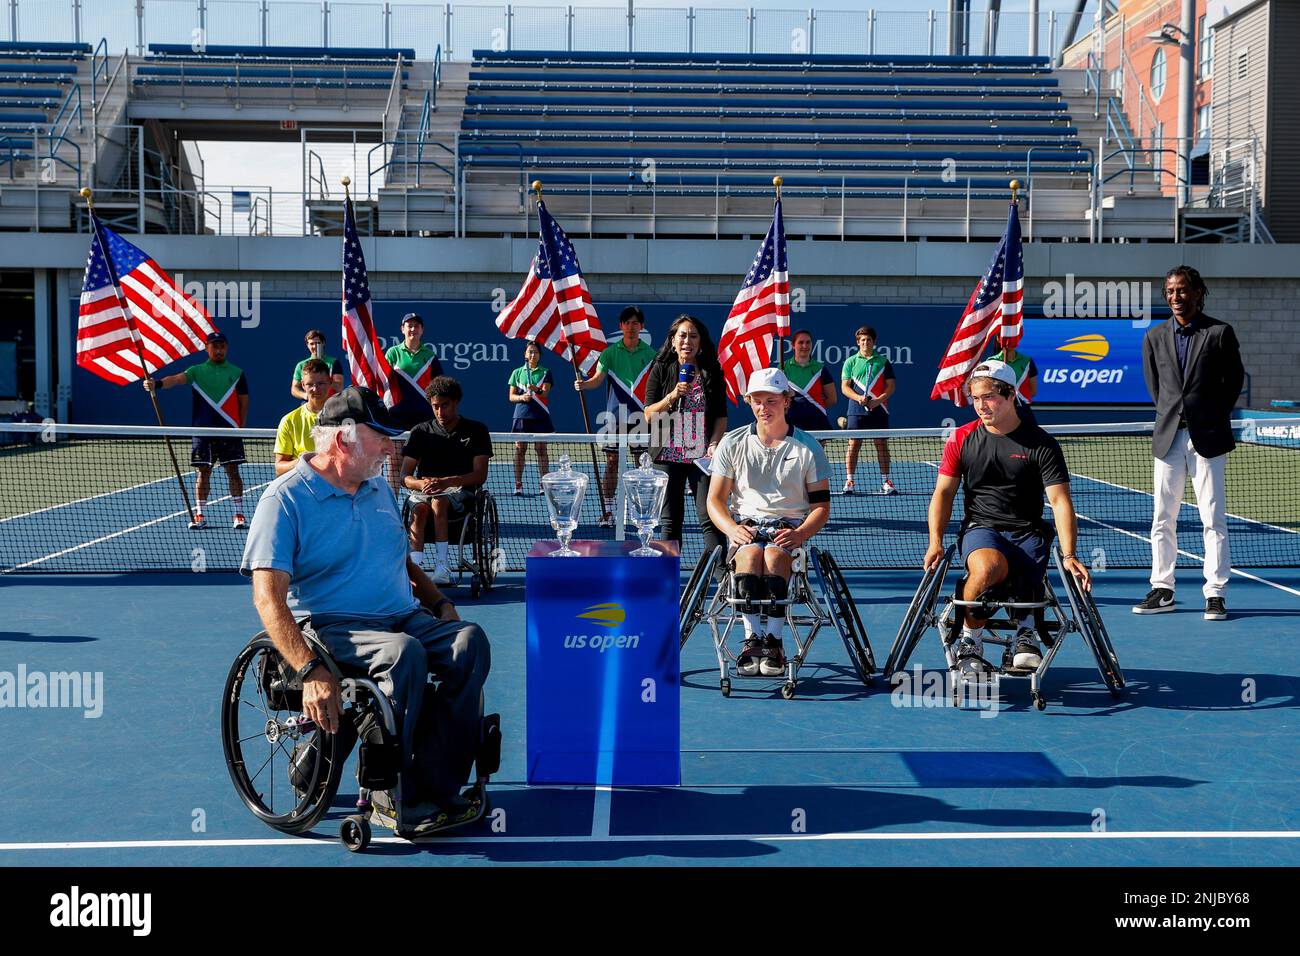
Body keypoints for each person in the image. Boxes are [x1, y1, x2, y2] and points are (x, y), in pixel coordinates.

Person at [241, 386, 490, 831]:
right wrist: (310, 669)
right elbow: (267, 598)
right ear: (344, 441)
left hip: (402, 616)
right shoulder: (283, 501)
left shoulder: (377, 487)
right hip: (333, 626)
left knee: (469, 642)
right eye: (382, 439)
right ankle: (391, 793)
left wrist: (439, 601)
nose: (391, 449)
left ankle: (435, 787)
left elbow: (399, 559)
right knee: (405, 654)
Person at [923, 360, 1091, 679]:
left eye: (988, 397)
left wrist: (1070, 555)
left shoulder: (1041, 444)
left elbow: (1059, 500)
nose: (980, 406)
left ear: (1010, 394)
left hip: (1028, 530)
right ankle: (970, 642)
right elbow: (943, 493)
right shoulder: (961, 439)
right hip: (981, 528)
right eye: (975, 398)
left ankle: (1025, 636)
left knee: (1026, 573)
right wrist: (935, 541)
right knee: (988, 568)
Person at [1135, 265, 1246, 621]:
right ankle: (1162, 588)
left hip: (1208, 438)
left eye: (1182, 290)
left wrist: (1209, 417)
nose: (1175, 297)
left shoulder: (1220, 333)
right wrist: (1175, 415)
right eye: (1170, 291)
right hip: (1168, 437)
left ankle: (1215, 593)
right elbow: (1157, 389)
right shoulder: (1154, 337)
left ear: (1198, 293)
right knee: (1162, 518)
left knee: (1212, 518)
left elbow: (1233, 382)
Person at [707, 367, 831, 677]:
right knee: (750, 554)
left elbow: (821, 507)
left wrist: (800, 533)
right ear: (749, 401)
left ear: (787, 401)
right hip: (745, 525)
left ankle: (774, 640)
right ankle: (752, 640)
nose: (765, 408)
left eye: (772, 400)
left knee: (773, 555)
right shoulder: (731, 443)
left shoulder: (809, 448)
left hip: (787, 527)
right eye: (758, 400)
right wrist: (732, 528)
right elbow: (715, 500)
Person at [144, 331, 249, 530]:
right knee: (203, 472)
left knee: (233, 471)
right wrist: (156, 384)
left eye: (222, 346)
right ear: (206, 348)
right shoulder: (196, 371)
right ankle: (200, 514)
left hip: (229, 431)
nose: (218, 350)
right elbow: (175, 379)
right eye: (214, 346)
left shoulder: (237, 372)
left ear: (226, 348)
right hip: (203, 431)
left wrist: (240, 428)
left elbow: (244, 401)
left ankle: (239, 514)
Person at [644, 314, 728, 562]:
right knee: (670, 522)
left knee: (710, 517)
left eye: (693, 336)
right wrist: (672, 396)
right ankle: (667, 581)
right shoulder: (660, 369)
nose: (687, 341)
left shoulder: (712, 372)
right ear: (672, 340)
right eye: (682, 335)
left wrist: (713, 444)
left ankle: (721, 576)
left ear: (700, 343)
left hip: (701, 456)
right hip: (666, 455)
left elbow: (721, 417)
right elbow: (649, 414)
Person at [400, 376, 493, 584]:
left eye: (445, 405)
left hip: (461, 494)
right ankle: (415, 571)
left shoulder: (477, 430)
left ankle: (442, 567)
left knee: (439, 501)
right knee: (420, 510)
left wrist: (446, 482)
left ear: (456, 402)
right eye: (435, 407)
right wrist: (421, 484)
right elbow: (404, 475)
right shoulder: (420, 431)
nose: (440, 412)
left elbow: (480, 475)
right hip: (425, 492)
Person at [575, 305, 656, 527]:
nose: (631, 327)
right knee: (611, 463)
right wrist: (584, 384)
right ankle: (608, 511)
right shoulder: (609, 353)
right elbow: (598, 379)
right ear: (621, 326)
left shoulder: (651, 355)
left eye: (635, 323)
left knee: (643, 465)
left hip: (642, 419)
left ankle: (642, 512)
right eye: (627, 323)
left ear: (642, 327)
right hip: (614, 420)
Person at [840, 326, 897, 495]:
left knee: (881, 444)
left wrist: (877, 401)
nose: (865, 342)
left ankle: (886, 480)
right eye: (862, 340)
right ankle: (849, 480)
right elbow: (844, 387)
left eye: (869, 340)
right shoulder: (850, 362)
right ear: (858, 342)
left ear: (874, 342)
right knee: (853, 445)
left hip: (879, 409)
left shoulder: (883, 362)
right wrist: (858, 398)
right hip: (856, 409)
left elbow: (891, 386)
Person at [384, 312, 444, 431]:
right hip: (397, 414)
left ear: (422, 330)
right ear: (402, 329)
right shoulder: (392, 353)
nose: (413, 329)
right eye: (409, 326)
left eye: (417, 326)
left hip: (424, 415)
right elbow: (383, 381)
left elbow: (438, 386)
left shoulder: (430, 355)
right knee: (398, 449)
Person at [508, 341, 552, 495]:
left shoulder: (546, 372)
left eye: (536, 352)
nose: (533, 355)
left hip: (540, 415)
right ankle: (518, 484)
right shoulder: (516, 372)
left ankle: (543, 484)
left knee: (541, 450)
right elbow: (511, 397)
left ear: (540, 355)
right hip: (521, 416)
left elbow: (545, 393)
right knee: (520, 450)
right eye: (530, 352)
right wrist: (522, 397)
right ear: (525, 354)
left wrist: (536, 389)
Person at [274, 358, 331, 476]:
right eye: (310, 384)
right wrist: (302, 461)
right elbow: (279, 469)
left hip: (336, 486)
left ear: (330, 382)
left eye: (321, 383)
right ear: (303, 385)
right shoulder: (289, 421)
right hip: (303, 486)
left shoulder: (345, 416)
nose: (315, 389)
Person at [784, 329, 837, 432]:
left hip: (817, 422)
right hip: (791, 422)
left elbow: (832, 399)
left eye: (808, 342)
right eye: (801, 342)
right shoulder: (782, 368)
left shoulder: (820, 368)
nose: (805, 346)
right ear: (793, 345)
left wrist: (812, 408)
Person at [987, 336, 1038, 423]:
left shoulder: (1027, 361)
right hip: (1000, 410)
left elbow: (1033, 391)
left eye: (1013, 337)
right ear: (999, 339)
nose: (1010, 341)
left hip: (1023, 410)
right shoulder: (991, 362)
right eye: (1006, 337)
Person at [290, 329, 344, 400]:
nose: (315, 346)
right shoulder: (301, 365)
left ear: (323, 343)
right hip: (310, 404)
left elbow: (339, 386)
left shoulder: (333, 362)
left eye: (318, 343)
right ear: (307, 345)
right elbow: (294, 388)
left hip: (331, 403)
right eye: (312, 344)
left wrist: (321, 383)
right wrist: (305, 395)